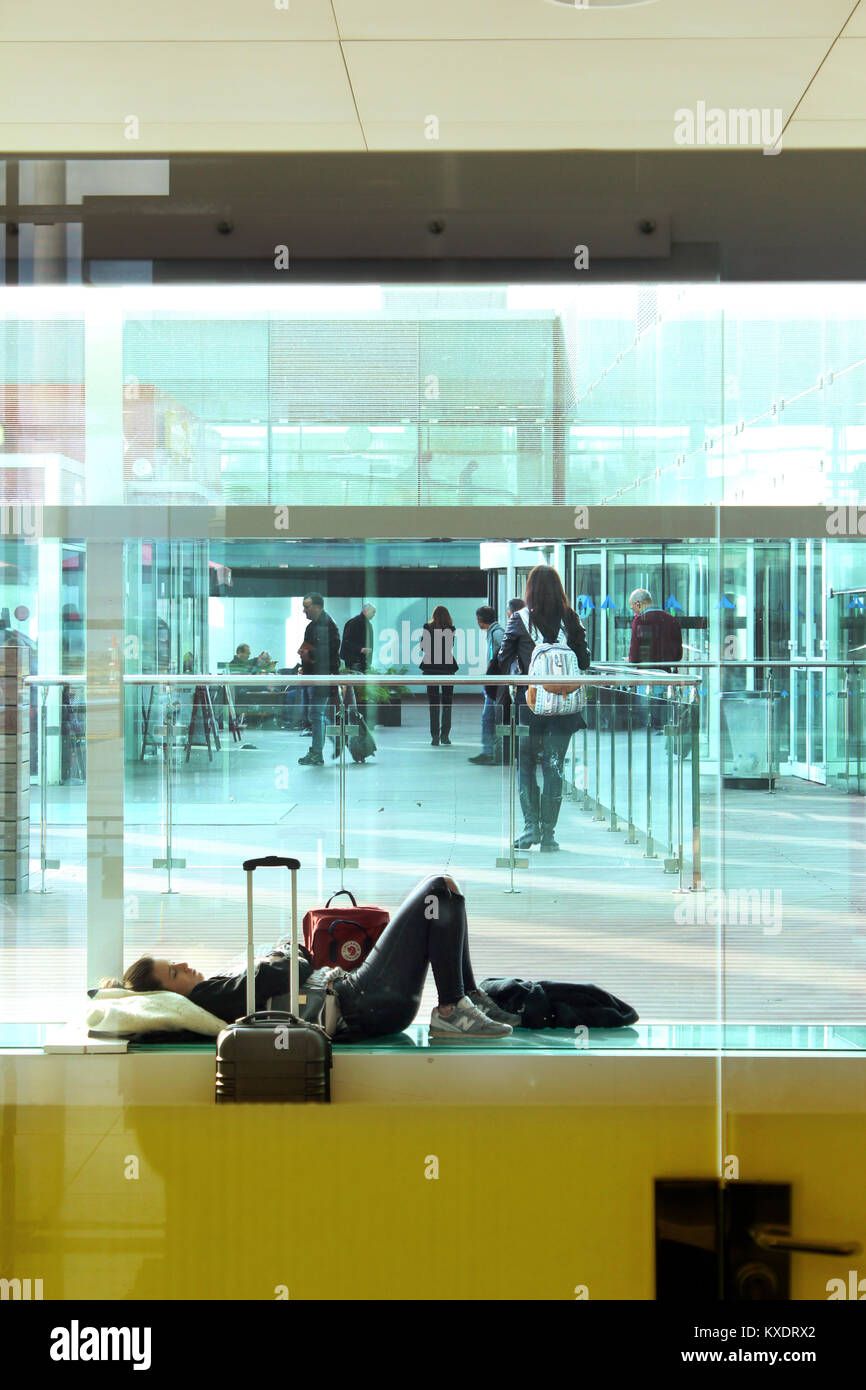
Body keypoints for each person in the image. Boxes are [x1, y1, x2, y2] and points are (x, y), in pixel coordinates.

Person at [101, 874, 519, 1042]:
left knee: (446, 890)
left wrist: (281, 955)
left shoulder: (214, 992)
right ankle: (452, 1008)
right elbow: (290, 967)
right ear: (168, 993)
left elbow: (279, 969)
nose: (187, 967)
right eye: (175, 972)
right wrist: (288, 948)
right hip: (364, 999)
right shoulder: (213, 996)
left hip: (364, 998)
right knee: (437, 893)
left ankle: (465, 996)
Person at [497, 565, 591, 853]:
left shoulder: (519, 619)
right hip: (566, 708)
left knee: (526, 765)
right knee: (554, 767)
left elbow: (502, 659)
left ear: (530, 589)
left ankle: (530, 829)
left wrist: (520, 666)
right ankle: (549, 835)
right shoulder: (570, 618)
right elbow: (584, 662)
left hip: (532, 705)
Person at [627, 588, 683, 732]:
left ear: (638, 604)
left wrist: (631, 660)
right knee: (664, 711)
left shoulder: (640, 621)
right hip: (666, 675)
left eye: (633, 608)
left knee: (647, 717)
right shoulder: (671, 619)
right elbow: (678, 654)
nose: (634, 612)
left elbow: (634, 655)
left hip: (646, 676)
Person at [297, 592, 341, 767]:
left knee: (316, 713)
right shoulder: (313, 626)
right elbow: (308, 648)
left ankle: (318, 752)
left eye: (306, 607)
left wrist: (309, 654)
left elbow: (328, 652)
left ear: (316, 607)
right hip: (314, 677)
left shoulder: (327, 626)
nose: (304, 610)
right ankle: (333, 742)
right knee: (317, 713)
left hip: (323, 677)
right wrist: (304, 655)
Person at [468, 604, 505, 766]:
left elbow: (506, 651)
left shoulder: (497, 633)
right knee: (489, 717)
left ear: (480, 620)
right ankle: (489, 751)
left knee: (488, 717)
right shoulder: (493, 632)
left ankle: (489, 752)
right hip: (494, 682)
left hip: (497, 684)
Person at [419, 605, 459, 747]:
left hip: (430, 667)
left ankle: (434, 737)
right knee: (447, 703)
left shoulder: (427, 627)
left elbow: (423, 647)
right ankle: (445, 736)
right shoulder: (451, 629)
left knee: (433, 703)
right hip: (447, 667)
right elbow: (449, 647)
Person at [340, 603, 376, 672]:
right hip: (355, 661)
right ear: (365, 611)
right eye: (373, 612)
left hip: (362, 662)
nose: (374, 614)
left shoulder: (367, 624)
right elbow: (347, 641)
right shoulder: (354, 622)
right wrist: (360, 649)